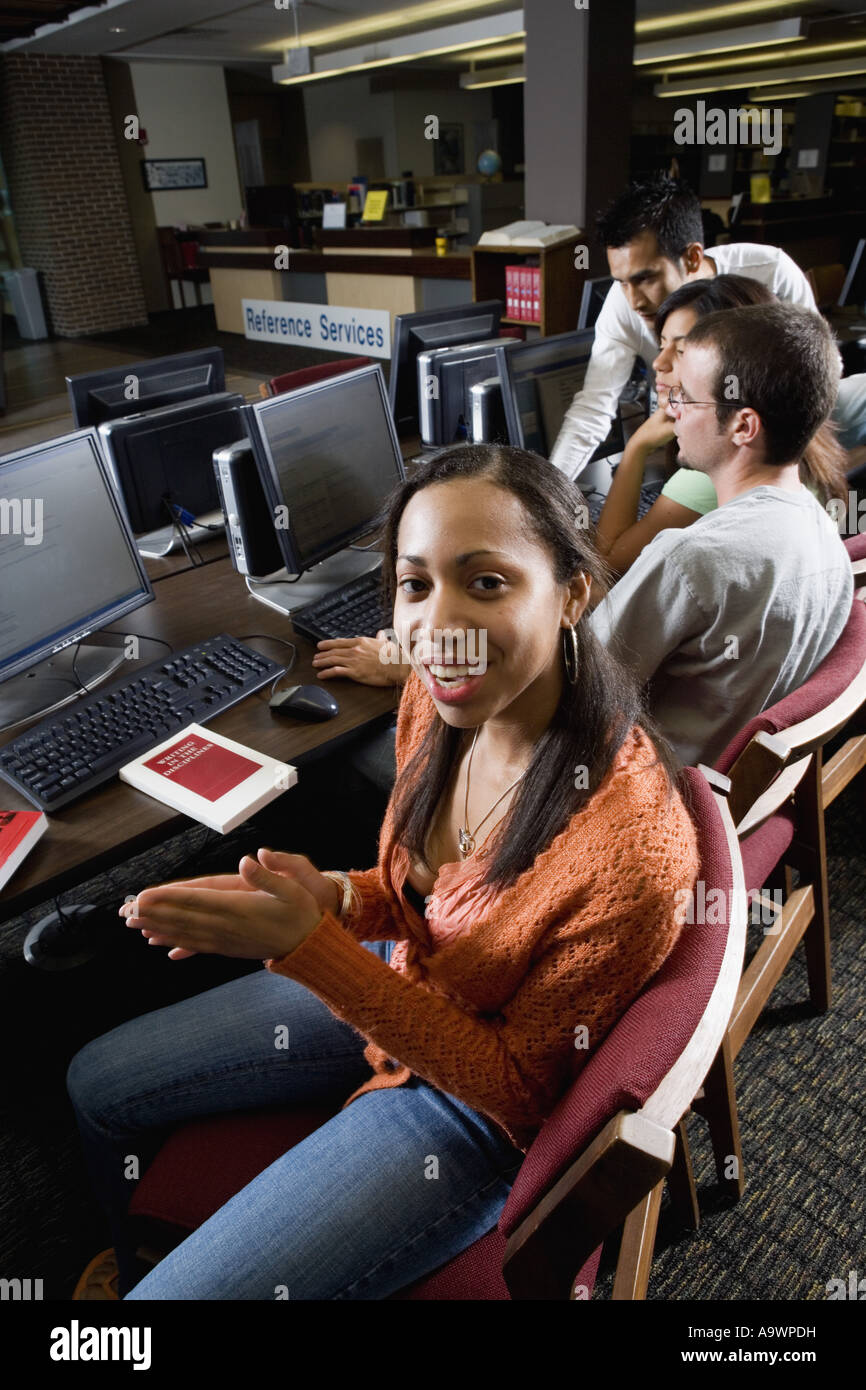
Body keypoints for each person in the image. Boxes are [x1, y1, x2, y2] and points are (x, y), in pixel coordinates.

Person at [66, 444, 699, 1301]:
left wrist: (313, 948)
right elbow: (419, 898)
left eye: (486, 583)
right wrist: (333, 897)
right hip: (408, 971)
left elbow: (520, 1090)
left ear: (572, 595)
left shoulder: (629, 850)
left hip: (475, 1111)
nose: (435, 628)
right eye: (414, 584)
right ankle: (133, 1249)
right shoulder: (436, 701)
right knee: (94, 1081)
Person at [590, 303, 854, 768]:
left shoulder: (690, 558)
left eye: (686, 398)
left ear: (743, 426)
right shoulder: (826, 532)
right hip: (731, 795)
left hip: (654, 801)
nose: (671, 410)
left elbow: (577, 691)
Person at [550, 175, 817, 489]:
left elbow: (815, 378)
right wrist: (543, 497)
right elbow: (593, 408)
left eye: (645, 278)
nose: (634, 300)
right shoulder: (621, 306)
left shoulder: (771, 273)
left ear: (692, 257)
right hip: (688, 447)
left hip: (767, 454)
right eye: (621, 282)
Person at [596, 274, 849, 577]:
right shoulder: (790, 442)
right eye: (661, 344)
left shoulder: (719, 465)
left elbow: (606, 563)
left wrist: (637, 447)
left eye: (681, 351)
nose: (658, 363)